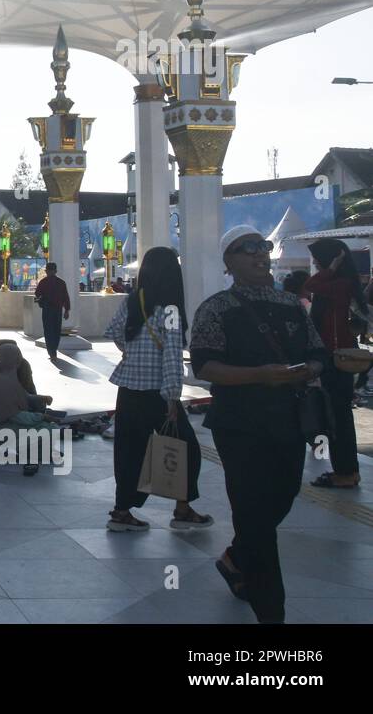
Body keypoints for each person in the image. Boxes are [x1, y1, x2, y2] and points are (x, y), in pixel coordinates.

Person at [191, 225, 325, 624]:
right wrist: (260, 375)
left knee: (281, 497)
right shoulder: (216, 308)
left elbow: (318, 352)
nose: (259, 254)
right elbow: (205, 366)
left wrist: (309, 369)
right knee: (255, 516)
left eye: (263, 247)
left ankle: (235, 558)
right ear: (229, 262)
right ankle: (272, 613)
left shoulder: (291, 304)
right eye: (247, 249)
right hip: (239, 424)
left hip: (287, 420)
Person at [104, 246, 211, 531]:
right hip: (158, 395)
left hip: (128, 389)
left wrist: (132, 351)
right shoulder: (171, 310)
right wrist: (173, 398)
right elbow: (172, 355)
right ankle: (183, 508)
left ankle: (121, 512)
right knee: (185, 447)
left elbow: (113, 331)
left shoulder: (131, 301)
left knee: (129, 451)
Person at [303, 238, 369, 489]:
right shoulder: (340, 284)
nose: (316, 263)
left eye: (319, 258)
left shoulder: (339, 285)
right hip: (336, 359)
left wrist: (332, 267)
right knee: (338, 417)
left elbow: (311, 283)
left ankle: (346, 472)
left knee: (338, 419)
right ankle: (346, 470)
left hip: (337, 359)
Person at [34, 261, 71, 362]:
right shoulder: (61, 282)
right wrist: (67, 310)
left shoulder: (43, 282)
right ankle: (53, 350)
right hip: (57, 310)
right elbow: (66, 298)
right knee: (56, 330)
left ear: (47, 271)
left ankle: (52, 352)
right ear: (56, 271)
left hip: (47, 310)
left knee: (48, 330)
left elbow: (37, 294)